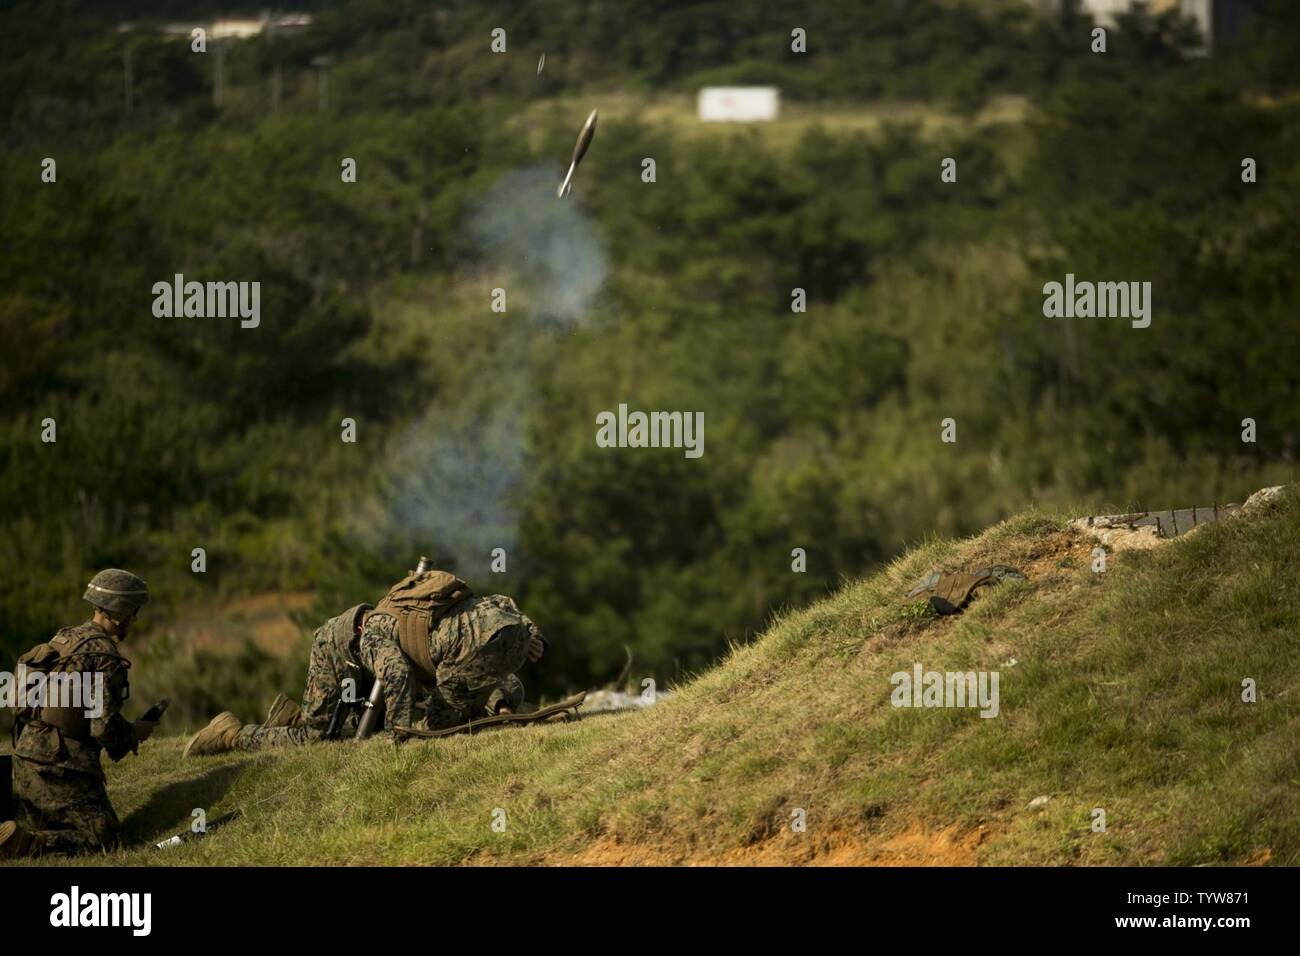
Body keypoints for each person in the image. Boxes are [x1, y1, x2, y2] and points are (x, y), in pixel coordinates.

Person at [184, 568, 547, 756]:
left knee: (486, 695)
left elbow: (507, 616)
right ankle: (230, 734)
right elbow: (398, 674)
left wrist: (499, 701)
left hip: (396, 667)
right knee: (315, 738)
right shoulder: (375, 636)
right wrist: (396, 739)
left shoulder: (480, 622)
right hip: (337, 651)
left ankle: (294, 715)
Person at [0, 569, 156, 859]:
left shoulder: (64, 638)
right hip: (61, 770)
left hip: (24, 765)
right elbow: (103, 726)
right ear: (120, 613)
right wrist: (133, 734)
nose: (135, 620)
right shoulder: (104, 655)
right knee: (104, 840)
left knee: (52, 822)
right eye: (134, 612)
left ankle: (21, 824)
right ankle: (24, 844)